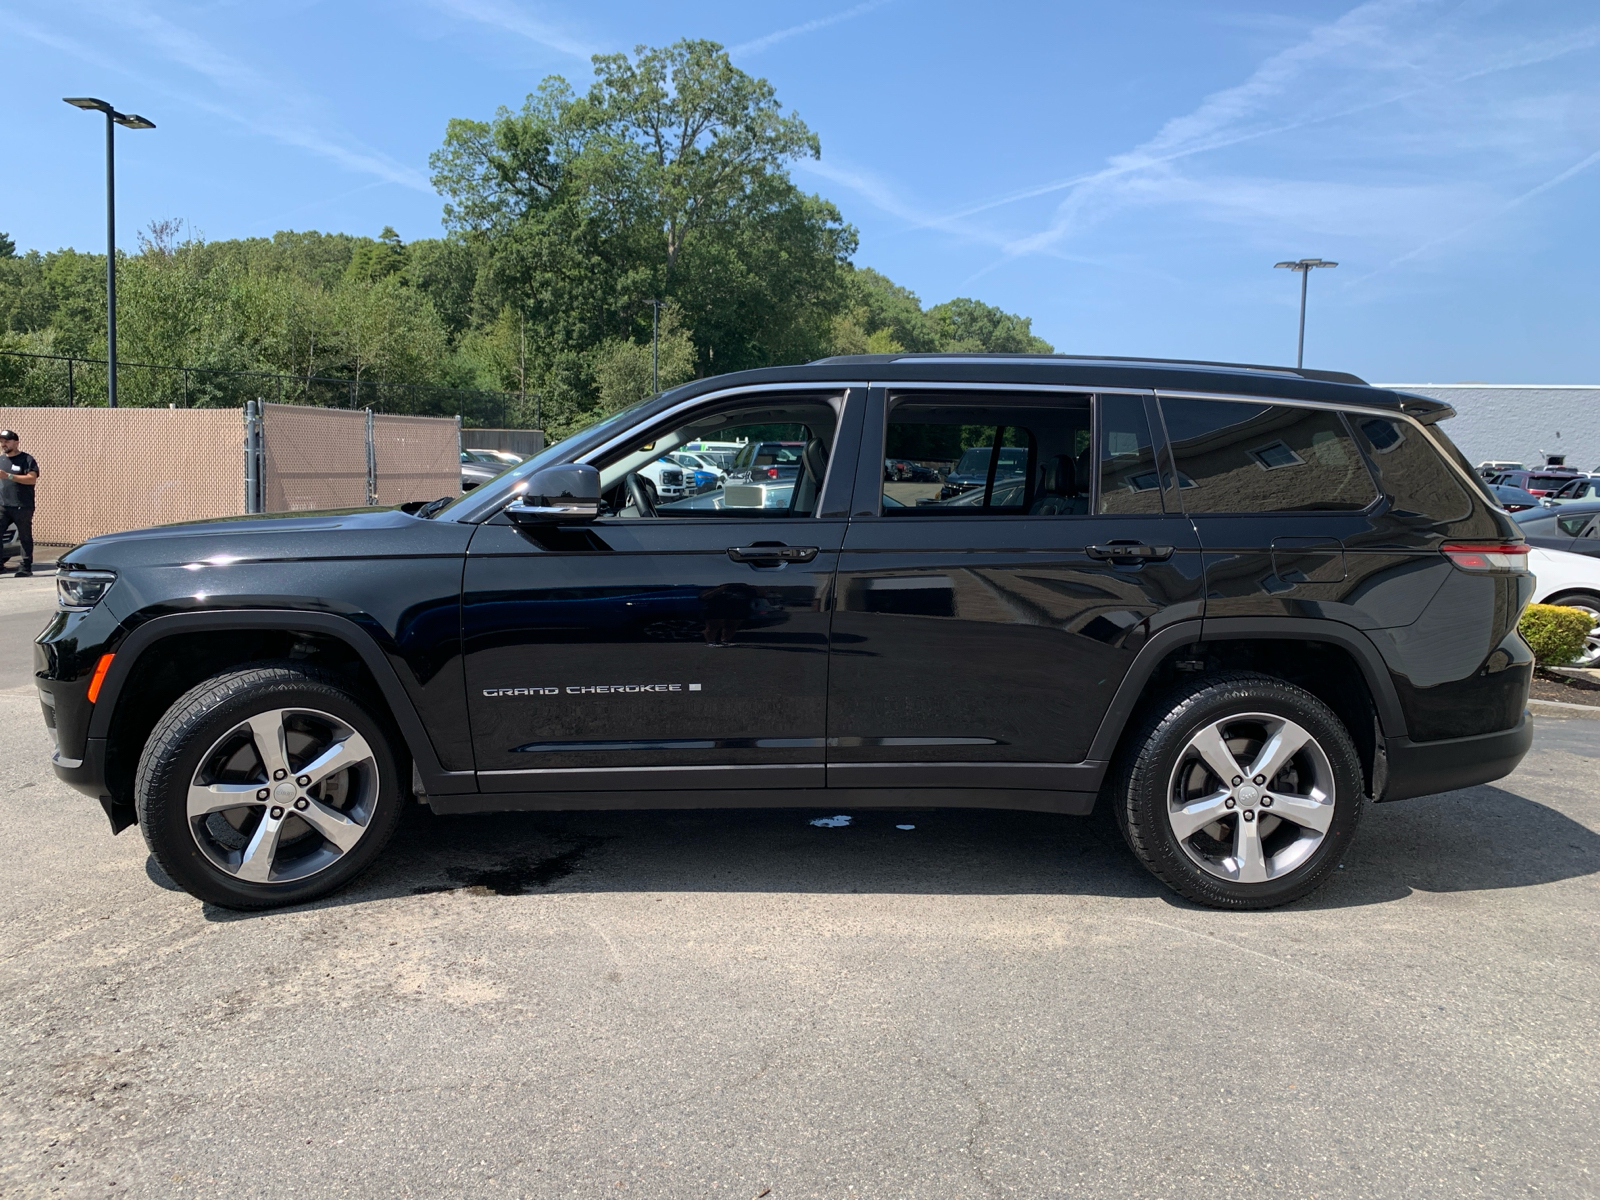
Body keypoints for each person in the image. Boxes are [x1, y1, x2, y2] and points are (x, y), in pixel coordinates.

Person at [0, 430, 40, 577]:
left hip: (22, 505)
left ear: (16, 443)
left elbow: (31, 479)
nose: (4, 444)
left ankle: (25, 567)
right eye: (2, 441)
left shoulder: (26, 459)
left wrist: (9, 476)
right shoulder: (1, 460)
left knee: (24, 537)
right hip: (3, 505)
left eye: (7, 441)